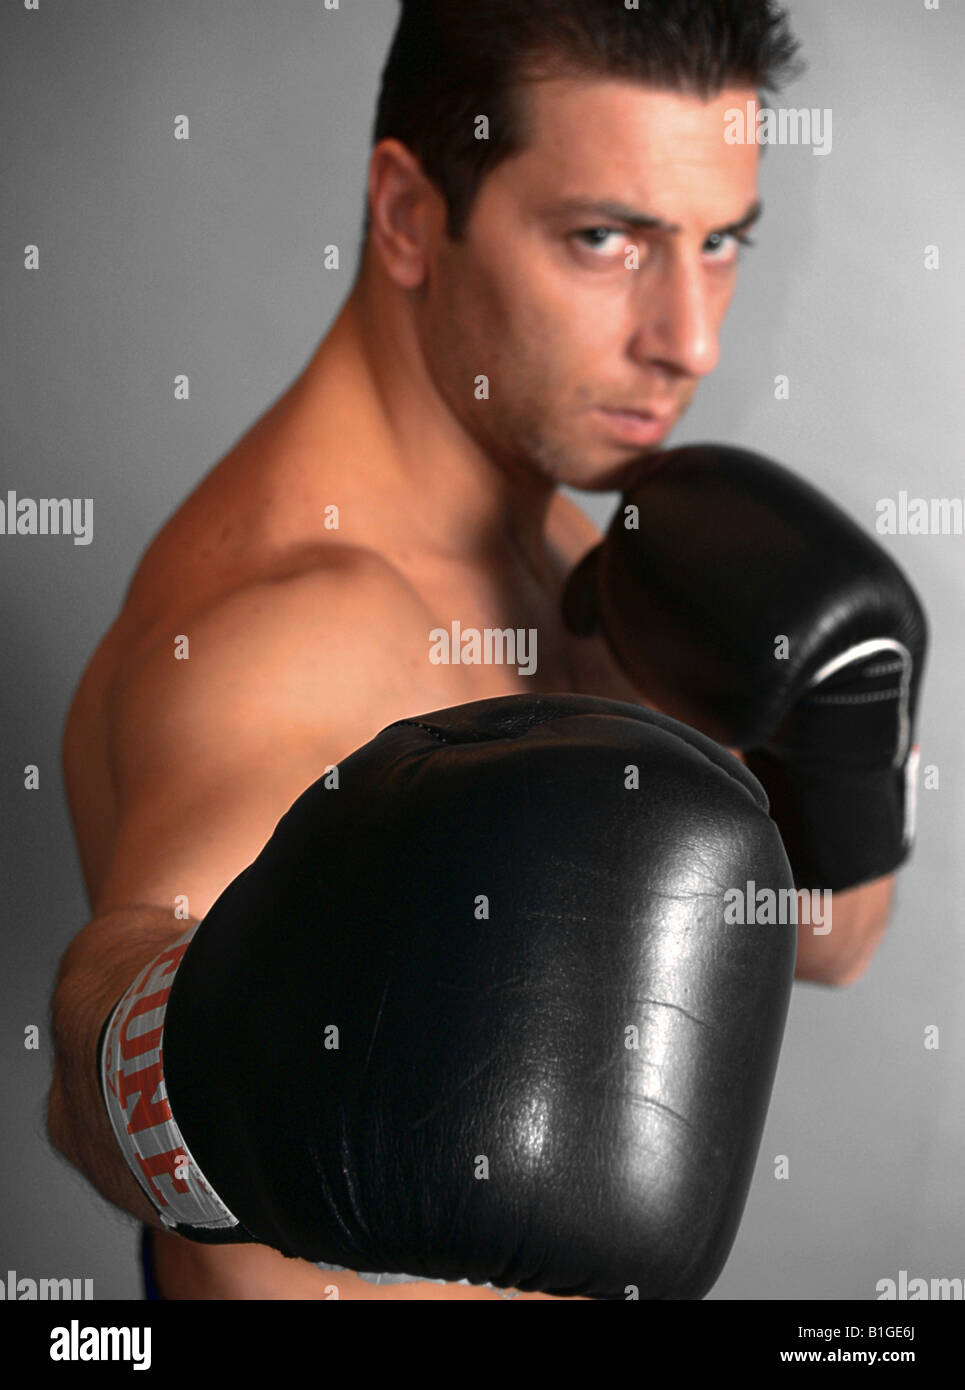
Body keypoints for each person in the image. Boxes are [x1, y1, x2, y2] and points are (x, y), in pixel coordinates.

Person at [47, 1, 923, 1300]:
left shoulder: (583, 555)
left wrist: (842, 740)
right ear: (407, 214)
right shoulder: (288, 630)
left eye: (718, 243)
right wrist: (213, 1081)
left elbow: (825, 936)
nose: (689, 337)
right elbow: (88, 1096)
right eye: (604, 239)